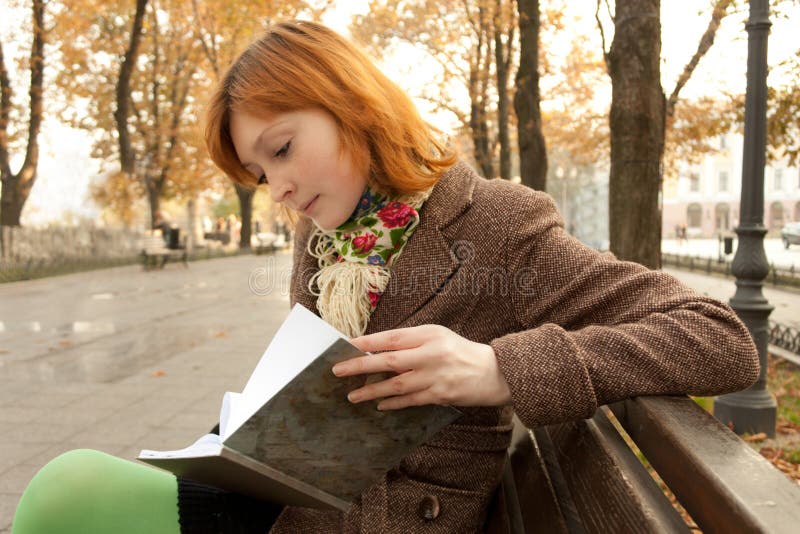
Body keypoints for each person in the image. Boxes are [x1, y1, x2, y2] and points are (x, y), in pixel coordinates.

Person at [12, 20, 759, 534]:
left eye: (281, 148)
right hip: (286, 499)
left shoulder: (498, 225)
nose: (274, 186)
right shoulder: (324, 241)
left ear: (351, 105)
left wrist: (499, 366)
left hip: (382, 519)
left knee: (69, 491)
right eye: (256, 170)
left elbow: (718, 337)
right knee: (70, 491)